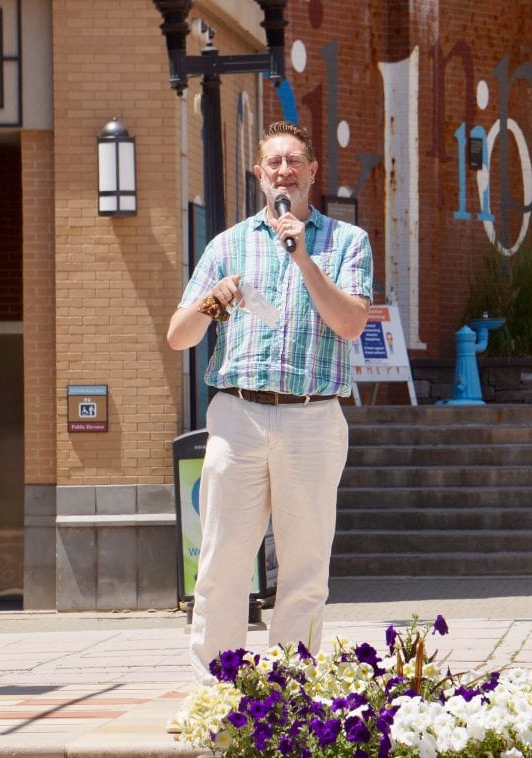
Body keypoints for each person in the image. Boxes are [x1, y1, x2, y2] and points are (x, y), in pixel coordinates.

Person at [167, 120, 373, 683]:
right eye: (273, 162)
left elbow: (352, 324)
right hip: (238, 414)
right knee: (223, 560)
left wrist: (304, 258)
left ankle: (291, 692)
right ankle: (216, 691)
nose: (284, 170)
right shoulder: (226, 245)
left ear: (311, 172)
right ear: (259, 175)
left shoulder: (346, 243)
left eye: (294, 160)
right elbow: (178, 336)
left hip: (313, 417)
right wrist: (213, 300)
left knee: (305, 568)